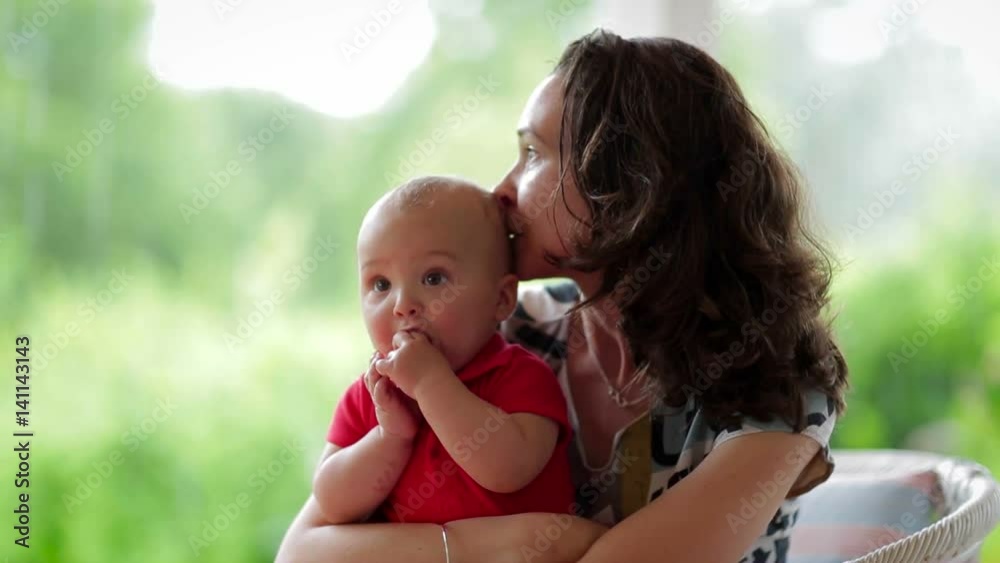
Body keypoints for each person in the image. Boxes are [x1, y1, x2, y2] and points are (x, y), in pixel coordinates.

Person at [277, 29, 849, 563]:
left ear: (630, 183)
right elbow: (303, 550)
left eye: (532, 155)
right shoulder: (511, 327)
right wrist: (520, 539)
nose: (501, 191)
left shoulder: (775, 387)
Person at [314, 177, 575, 527]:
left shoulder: (521, 377)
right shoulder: (371, 396)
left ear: (501, 299)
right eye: (381, 284)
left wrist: (430, 384)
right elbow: (332, 503)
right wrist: (390, 437)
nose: (403, 304)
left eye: (434, 278)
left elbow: (509, 470)